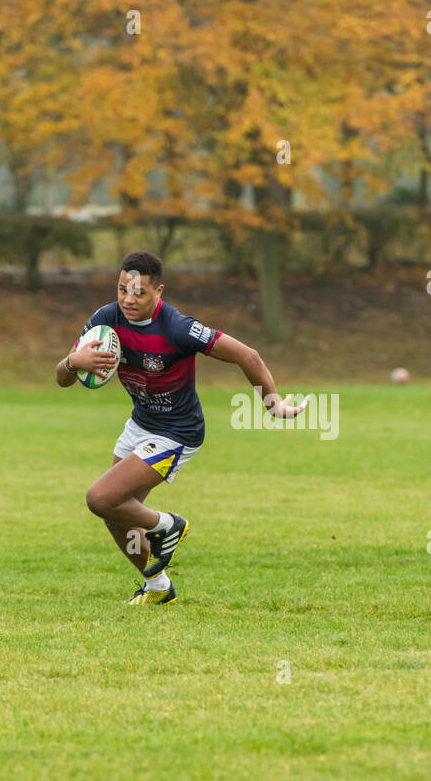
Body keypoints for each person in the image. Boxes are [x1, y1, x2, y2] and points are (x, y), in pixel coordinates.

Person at [58, 251, 307, 605]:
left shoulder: (176, 327)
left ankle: (167, 525)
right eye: (122, 290)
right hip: (140, 424)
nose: (128, 299)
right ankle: (158, 586)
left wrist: (274, 404)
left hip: (176, 433)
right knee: (114, 513)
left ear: (159, 291)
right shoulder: (105, 319)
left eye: (139, 292)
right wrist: (73, 362)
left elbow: (247, 355)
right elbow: (62, 379)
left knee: (100, 498)